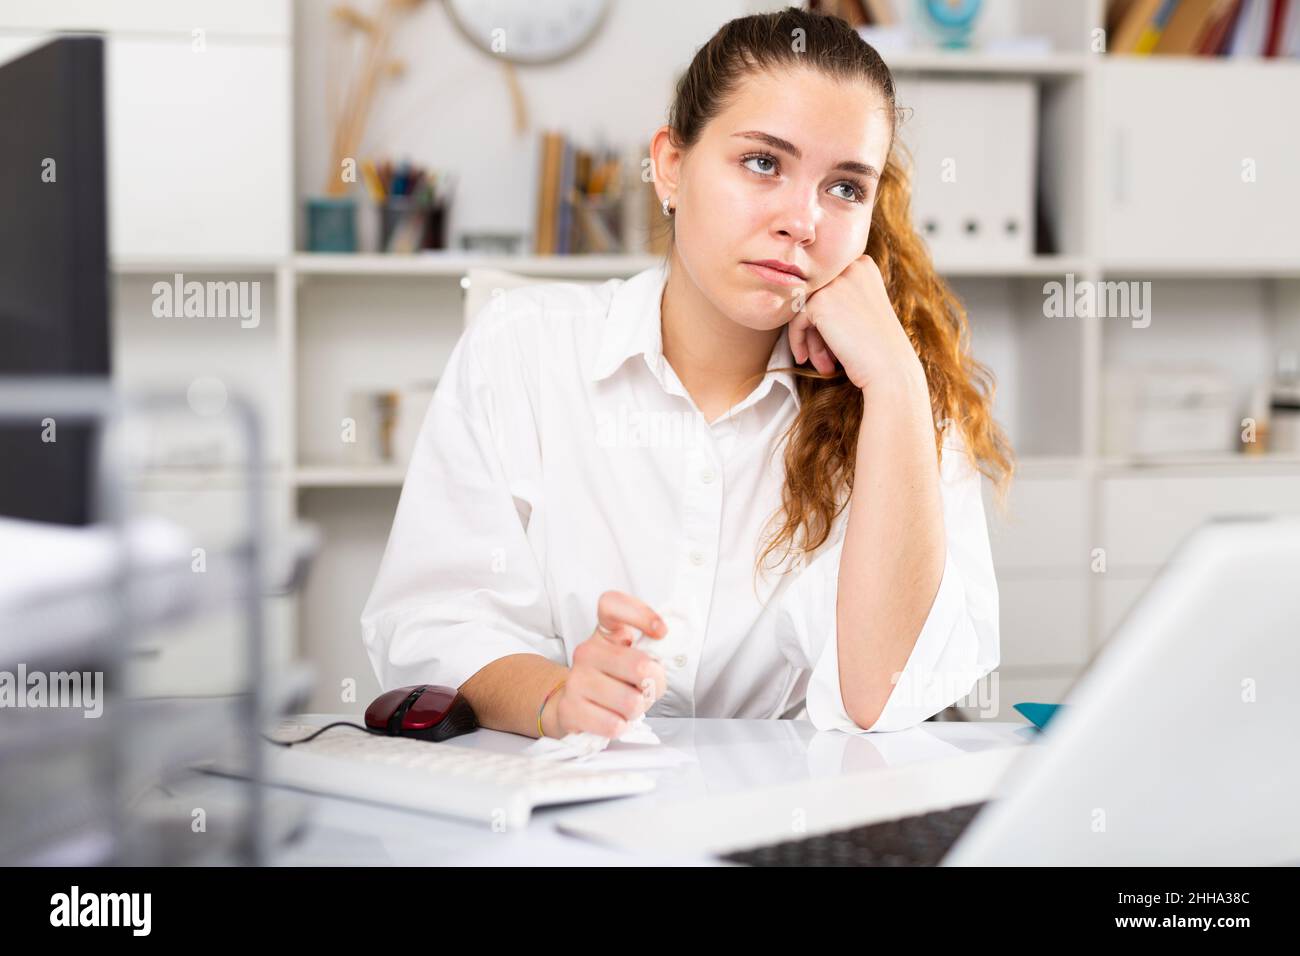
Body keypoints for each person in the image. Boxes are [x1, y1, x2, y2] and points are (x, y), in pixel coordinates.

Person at [360, 7, 1014, 741]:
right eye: (763, 163)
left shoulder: (900, 396)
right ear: (671, 166)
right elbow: (433, 619)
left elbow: (879, 698)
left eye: (845, 188)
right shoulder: (525, 348)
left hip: (790, 827)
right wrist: (558, 698)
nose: (803, 220)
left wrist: (896, 384)